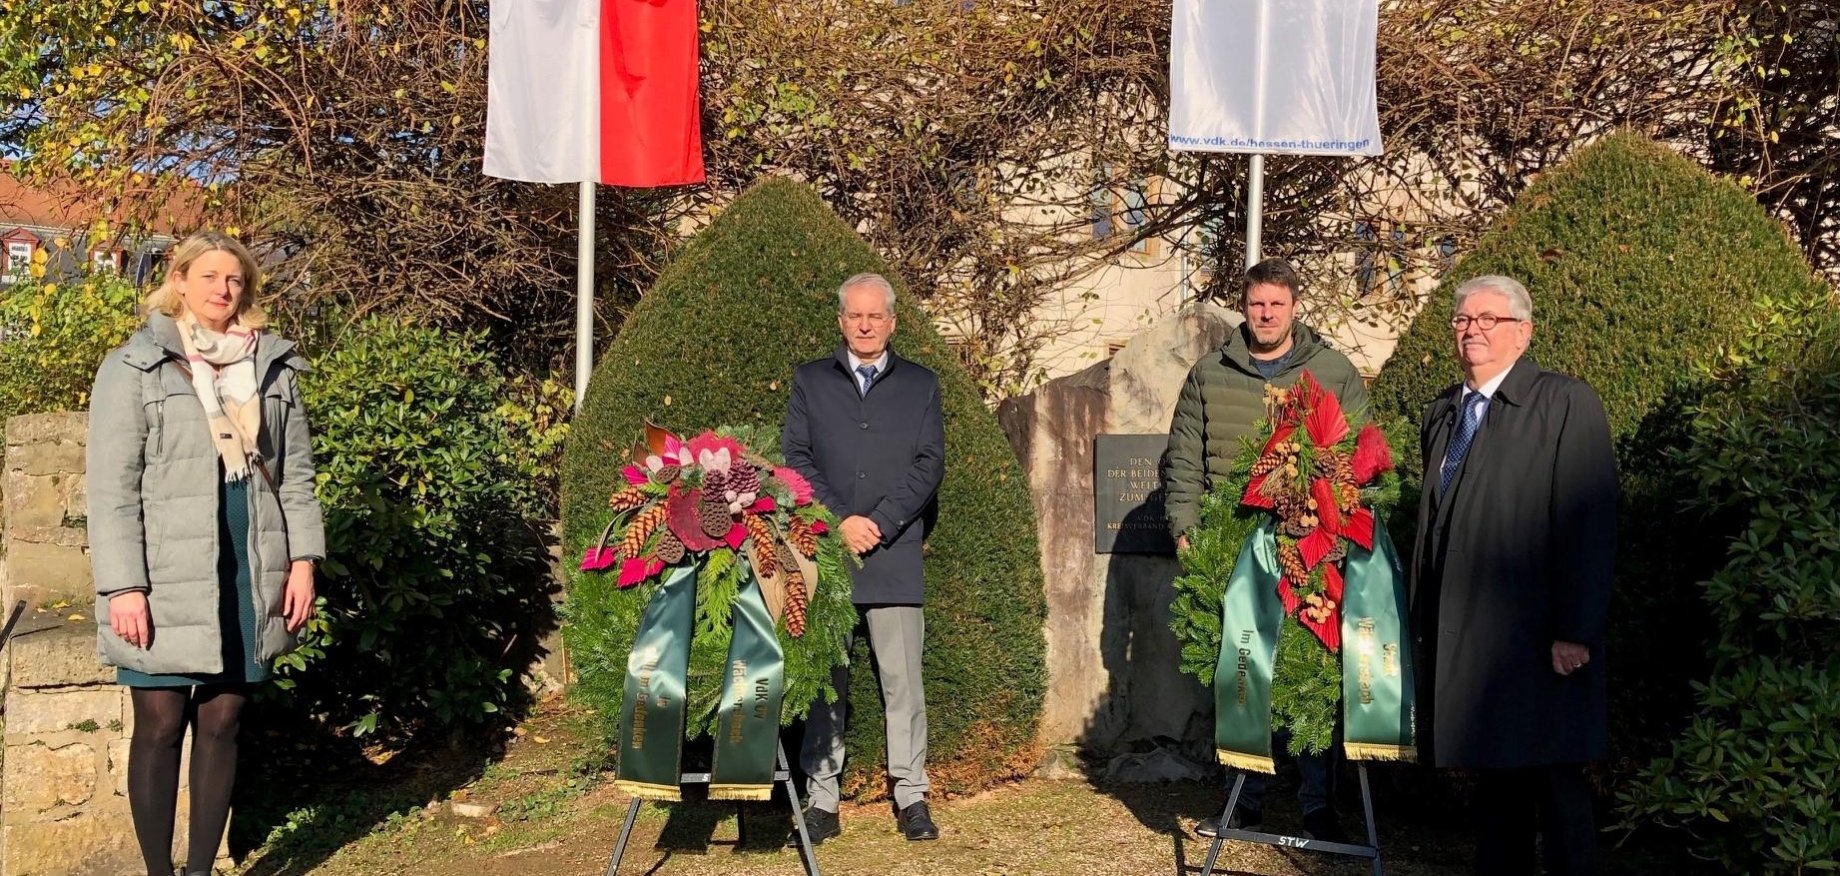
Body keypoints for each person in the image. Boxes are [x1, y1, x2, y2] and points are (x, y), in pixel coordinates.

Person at [88, 231, 326, 876]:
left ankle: (199, 872)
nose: (224, 291)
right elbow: (111, 489)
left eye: (236, 280)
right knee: (161, 722)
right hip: (165, 569)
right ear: (180, 278)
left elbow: (295, 474)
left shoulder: (273, 367)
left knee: (223, 722)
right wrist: (122, 586)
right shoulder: (133, 366)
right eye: (211, 277)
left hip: (251, 560)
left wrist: (303, 560)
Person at [1409, 275, 1616, 876]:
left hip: (1542, 638)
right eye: (1462, 320)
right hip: (1473, 644)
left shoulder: (1564, 404)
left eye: (1488, 319)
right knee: (1495, 791)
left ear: (1522, 334)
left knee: (1556, 785)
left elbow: (1590, 524)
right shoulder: (1445, 412)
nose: (1472, 329)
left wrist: (1575, 629)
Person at [1163, 257, 1368, 842]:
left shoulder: (1332, 370)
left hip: (1310, 547)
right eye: (1256, 304)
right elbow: (1183, 458)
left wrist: (1335, 531)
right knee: (1244, 671)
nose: (1266, 314)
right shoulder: (1209, 372)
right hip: (1233, 547)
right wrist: (1185, 528)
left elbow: (1358, 457)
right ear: (1244, 306)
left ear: (1295, 306)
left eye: (1277, 304)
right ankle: (1244, 802)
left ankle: (1316, 805)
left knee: (1308, 675)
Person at [782, 271, 945, 843]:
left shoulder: (922, 384)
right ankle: (821, 798)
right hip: (827, 557)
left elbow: (929, 465)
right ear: (842, 321)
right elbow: (795, 458)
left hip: (895, 554)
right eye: (856, 315)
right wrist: (838, 521)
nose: (866, 324)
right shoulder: (810, 381)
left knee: (903, 683)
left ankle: (912, 795)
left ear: (893, 322)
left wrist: (878, 522)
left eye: (876, 315)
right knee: (828, 682)